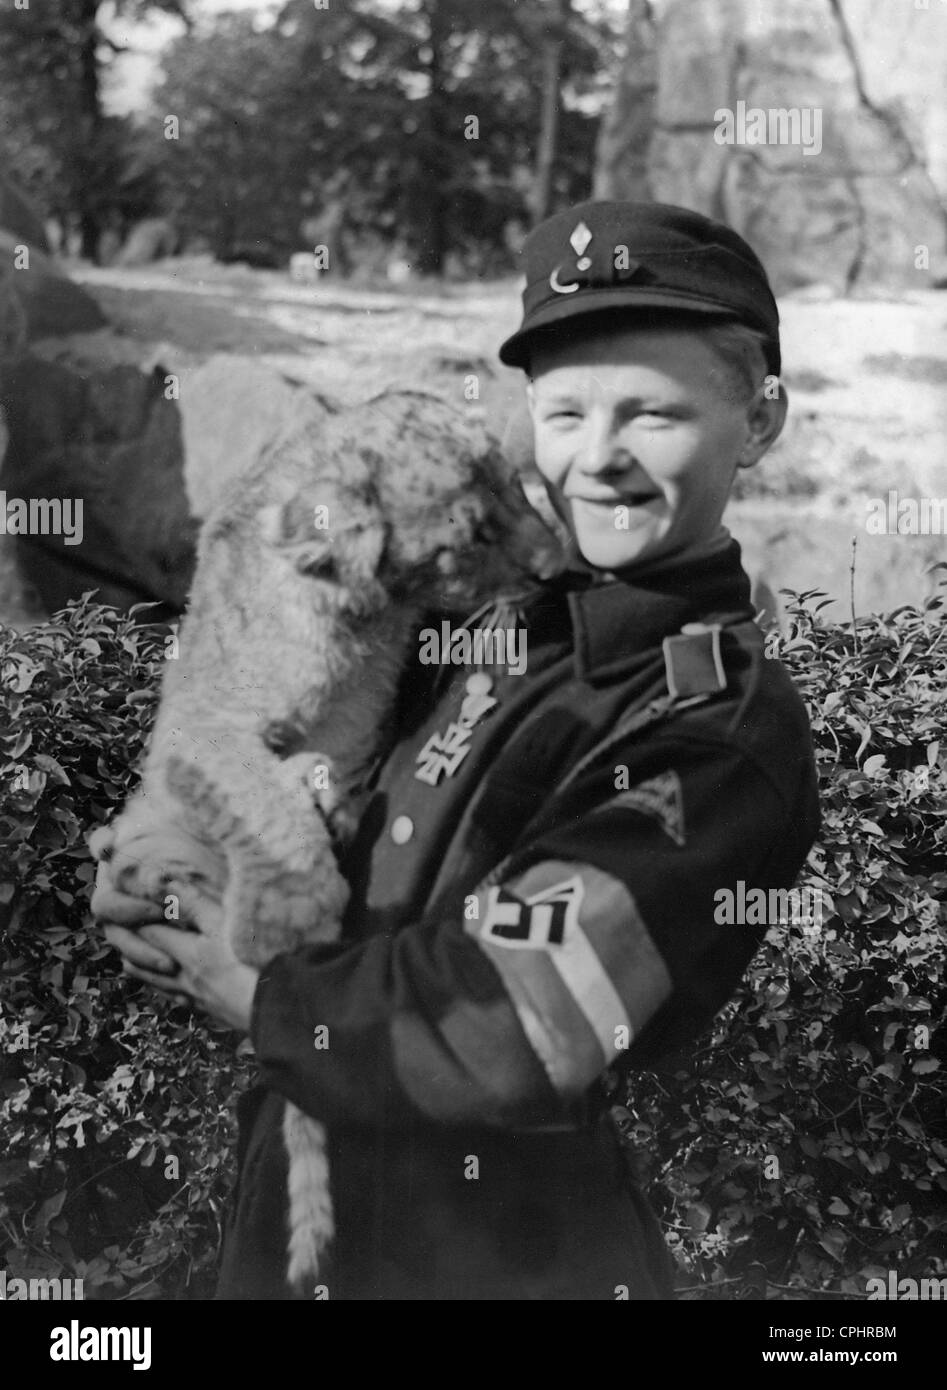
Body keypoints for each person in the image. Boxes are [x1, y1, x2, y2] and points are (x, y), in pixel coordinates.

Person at [92, 201, 821, 1301]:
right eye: (567, 411)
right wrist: (166, 859)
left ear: (758, 423)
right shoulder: (485, 614)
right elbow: (300, 764)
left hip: (504, 1253)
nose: (599, 458)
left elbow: (519, 1021)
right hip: (296, 1224)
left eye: (655, 414)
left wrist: (253, 989)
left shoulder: (718, 724)